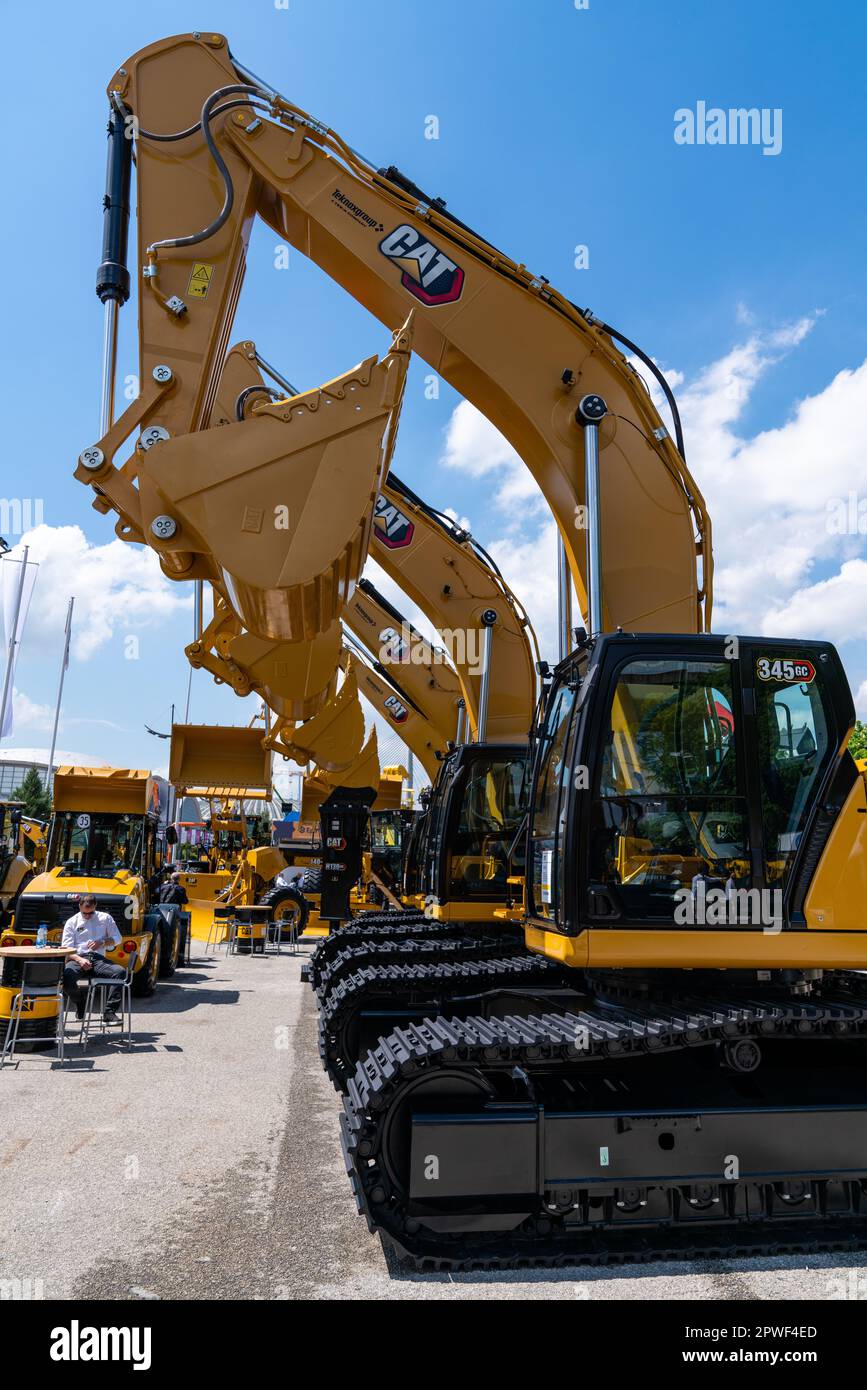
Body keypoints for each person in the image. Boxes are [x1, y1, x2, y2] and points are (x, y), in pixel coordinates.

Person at [61, 894, 125, 1023]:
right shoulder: (72, 921)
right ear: (79, 906)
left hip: (98, 958)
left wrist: (102, 942)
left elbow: (118, 939)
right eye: (85, 913)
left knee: (120, 972)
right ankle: (80, 1002)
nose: (88, 916)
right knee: (66, 977)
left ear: (95, 906)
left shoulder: (105, 918)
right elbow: (66, 949)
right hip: (77, 957)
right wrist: (79, 960)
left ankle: (109, 1012)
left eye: (91, 913)